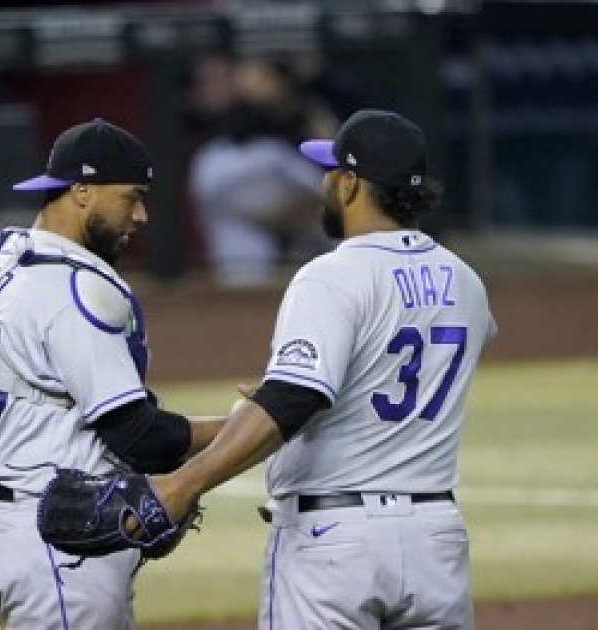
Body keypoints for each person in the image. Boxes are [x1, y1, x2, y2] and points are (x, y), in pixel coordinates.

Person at [152, 110, 498, 629]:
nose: (323, 183)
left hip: (336, 543)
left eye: (331, 171)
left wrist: (183, 485)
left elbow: (294, 399)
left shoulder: (332, 275)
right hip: (435, 538)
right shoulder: (465, 280)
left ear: (352, 183)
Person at [0, 118, 227, 629]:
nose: (140, 215)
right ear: (83, 191)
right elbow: (138, 435)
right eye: (130, 197)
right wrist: (246, 426)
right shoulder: (71, 286)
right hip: (59, 546)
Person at [189, 57, 336, 289]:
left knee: (333, 213)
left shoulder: (298, 95)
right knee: (246, 276)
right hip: (236, 168)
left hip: (281, 169)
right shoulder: (230, 105)